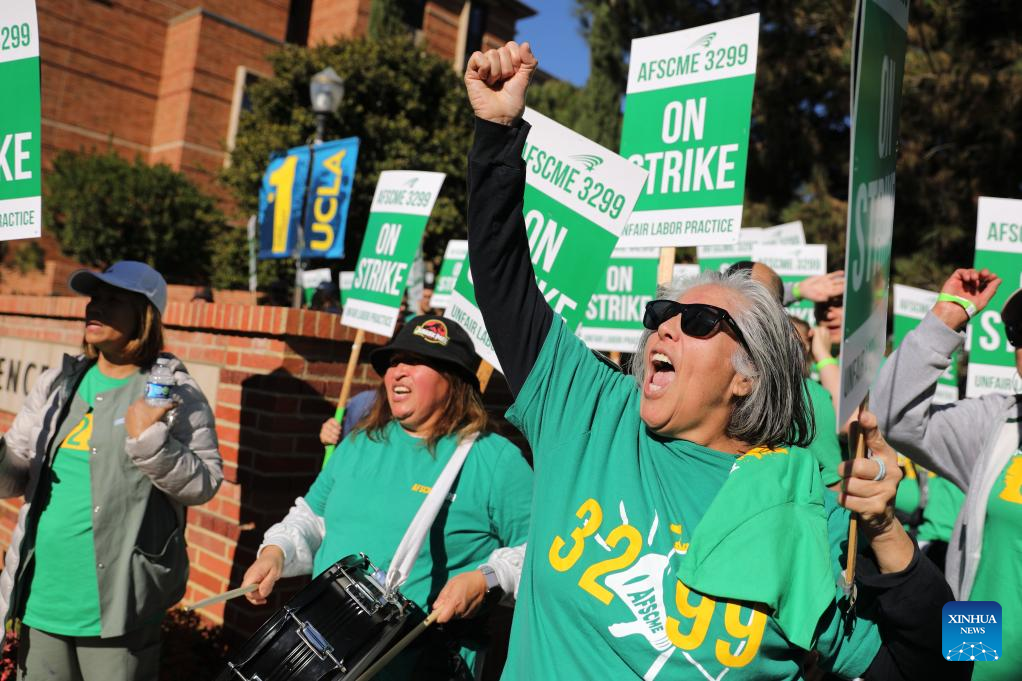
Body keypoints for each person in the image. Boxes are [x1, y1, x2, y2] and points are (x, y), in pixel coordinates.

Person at [463, 40, 961, 680]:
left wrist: (889, 532)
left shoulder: (800, 503)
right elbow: (504, 278)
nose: (664, 328)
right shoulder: (588, 411)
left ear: (747, 374)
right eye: (659, 316)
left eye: (697, 322)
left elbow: (955, 656)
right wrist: (499, 132)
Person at [242, 315, 532, 679]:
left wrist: (488, 579)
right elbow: (313, 518)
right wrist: (276, 552)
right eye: (394, 362)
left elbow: (540, 552)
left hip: (426, 664)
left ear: (453, 378)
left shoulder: (496, 460)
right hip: (324, 657)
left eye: (414, 361)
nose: (397, 372)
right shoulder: (362, 441)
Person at [0, 261, 223, 680]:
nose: (95, 307)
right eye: (94, 297)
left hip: (118, 610)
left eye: (113, 299)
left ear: (145, 315)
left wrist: (150, 442)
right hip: (42, 599)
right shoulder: (57, 385)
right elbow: (11, 479)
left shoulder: (173, 391)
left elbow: (205, 482)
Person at [874, 267, 1019, 680]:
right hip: (974, 660)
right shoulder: (998, 422)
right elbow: (895, 417)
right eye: (1021, 330)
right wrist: (947, 317)